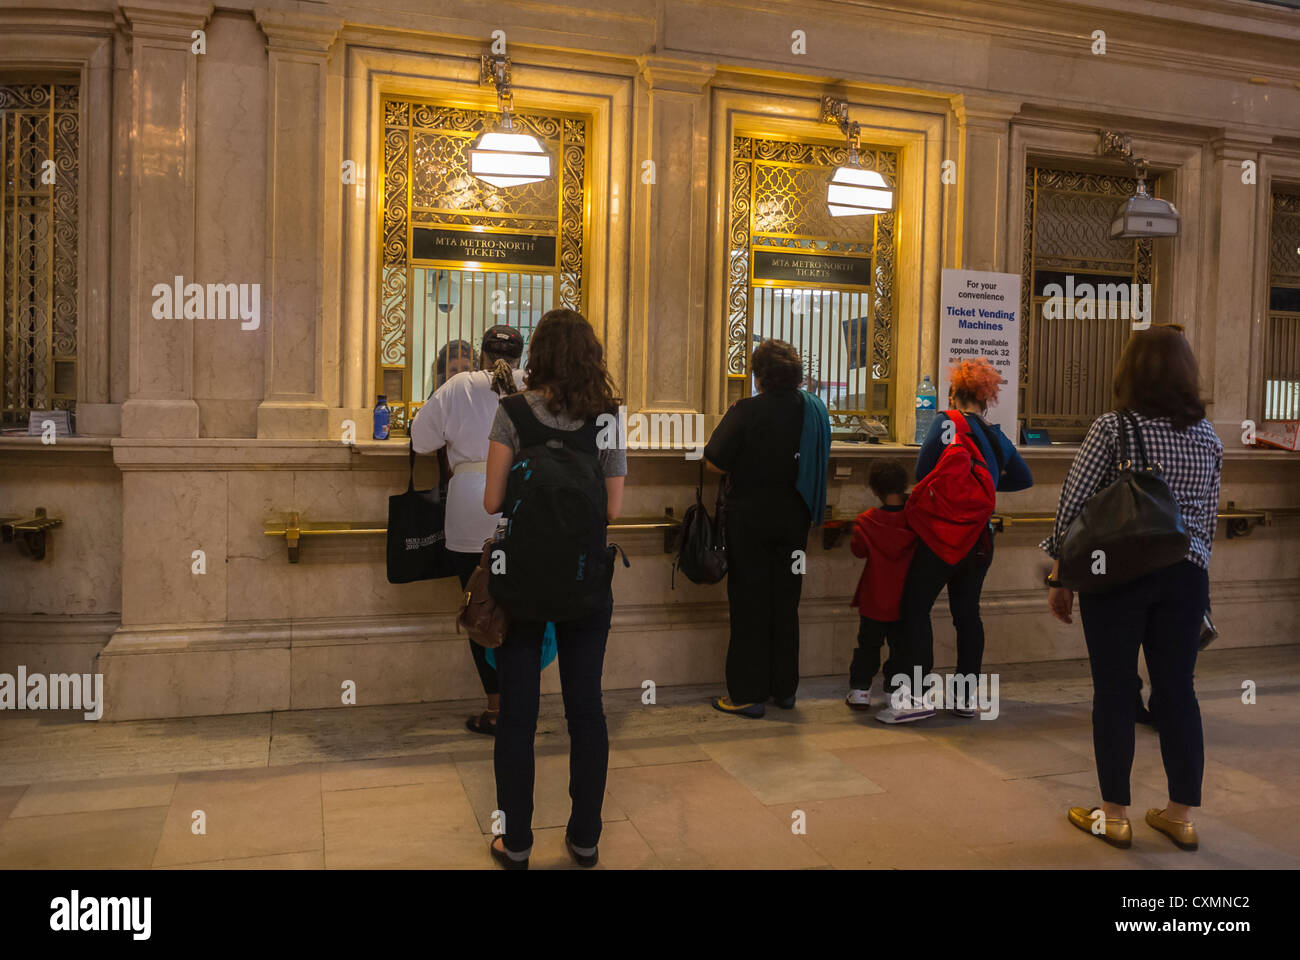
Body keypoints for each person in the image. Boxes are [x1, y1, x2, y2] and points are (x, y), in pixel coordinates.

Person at [1046, 326, 1222, 852]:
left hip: (1117, 573)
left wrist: (1061, 575)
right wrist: (1198, 582)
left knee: (1116, 689)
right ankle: (1180, 816)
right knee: (1178, 691)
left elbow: (1074, 506)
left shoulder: (1113, 428)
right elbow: (1207, 519)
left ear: (1128, 372)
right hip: (1186, 575)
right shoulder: (1207, 436)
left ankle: (1114, 815)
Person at [483, 308, 626, 870]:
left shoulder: (512, 410)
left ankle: (516, 842)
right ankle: (585, 839)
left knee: (517, 716)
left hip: (521, 585)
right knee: (585, 710)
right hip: (586, 582)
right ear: (591, 356)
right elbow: (614, 507)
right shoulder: (609, 417)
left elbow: (492, 502)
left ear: (536, 354)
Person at [882, 357, 1033, 724]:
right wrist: (986, 484)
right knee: (967, 616)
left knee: (915, 608)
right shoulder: (997, 437)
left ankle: (917, 696)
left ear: (953, 392)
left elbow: (923, 471)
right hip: (979, 540)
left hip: (940, 538)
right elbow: (1024, 478)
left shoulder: (945, 422)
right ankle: (965, 697)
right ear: (987, 398)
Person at [703, 338, 831, 719]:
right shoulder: (813, 409)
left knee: (749, 606)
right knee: (786, 604)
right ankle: (784, 690)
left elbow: (714, 461)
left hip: (751, 524)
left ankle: (746, 694)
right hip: (795, 523)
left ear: (759, 376)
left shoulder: (747, 410)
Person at [410, 326, 525, 736]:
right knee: (522, 612)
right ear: (521, 358)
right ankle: (522, 704)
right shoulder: (533, 387)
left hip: (470, 507)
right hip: (521, 506)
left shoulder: (459, 386)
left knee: (481, 611)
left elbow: (421, 440)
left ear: (481, 356)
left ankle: (496, 708)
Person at [846, 459, 917, 710]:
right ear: (905, 485)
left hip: (874, 596)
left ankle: (860, 690)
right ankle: (894, 690)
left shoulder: (866, 520)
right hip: (905, 598)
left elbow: (858, 551)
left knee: (868, 646)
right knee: (900, 648)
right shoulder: (914, 520)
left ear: (874, 488)